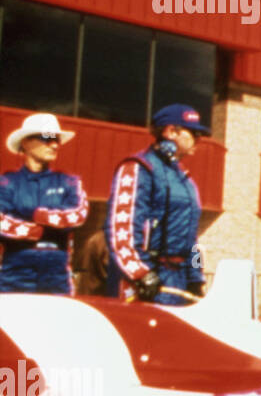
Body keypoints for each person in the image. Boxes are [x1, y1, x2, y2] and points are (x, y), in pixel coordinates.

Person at [105, 104, 207, 305]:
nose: (199, 139)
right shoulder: (138, 167)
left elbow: (193, 240)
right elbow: (121, 229)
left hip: (180, 283)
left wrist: (196, 277)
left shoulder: (186, 180)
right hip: (147, 280)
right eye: (193, 133)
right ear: (170, 132)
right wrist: (140, 273)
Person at [0, 113, 88, 294]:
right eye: (47, 138)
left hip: (57, 274)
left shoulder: (69, 182)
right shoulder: (7, 183)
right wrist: (33, 231)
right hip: (14, 274)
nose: (54, 145)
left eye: (56, 139)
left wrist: (35, 215)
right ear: (25, 143)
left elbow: (78, 214)